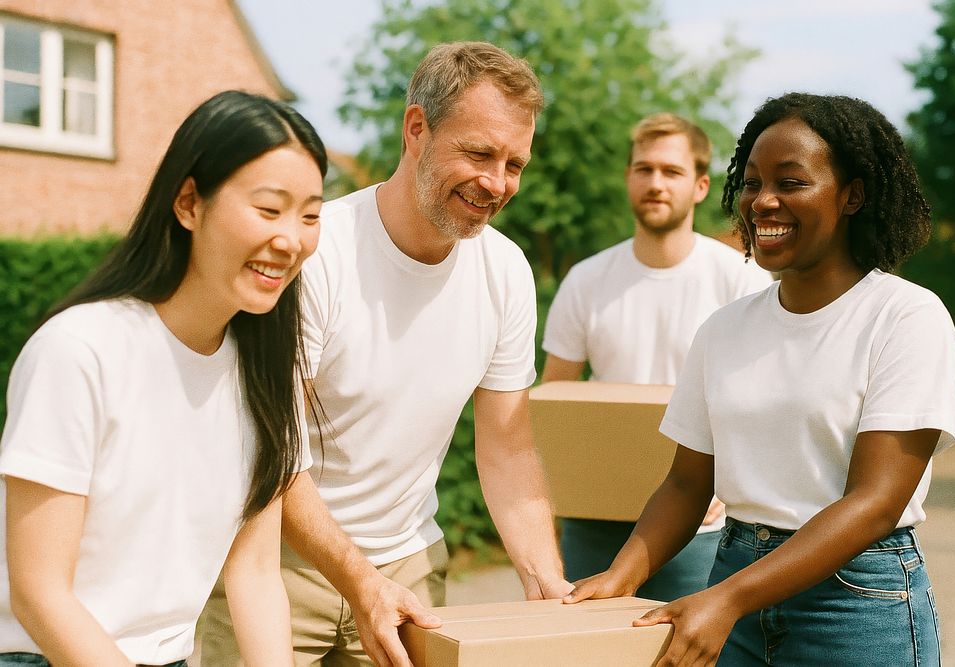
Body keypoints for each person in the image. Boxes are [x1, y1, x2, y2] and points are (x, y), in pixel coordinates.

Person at [198, 41, 571, 667]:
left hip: (410, 566)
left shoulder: (505, 271)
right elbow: (273, 451)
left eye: (515, 164)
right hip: (276, 566)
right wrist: (358, 582)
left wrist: (544, 578)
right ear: (417, 129)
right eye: (479, 153)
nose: (497, 183)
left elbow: (507, 446)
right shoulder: (317, 256)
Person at [566, 92, 955, 666]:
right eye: (751, 183)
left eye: (791, 182)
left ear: (853, 195)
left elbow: (876, 501)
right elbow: (685, 484)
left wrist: (724, 600)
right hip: (735, 579)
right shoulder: (725, 329)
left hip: (854, 605)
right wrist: (621, 576)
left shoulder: (905, 317)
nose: (763, 202)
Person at [0, 90, 327, 666]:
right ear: (188, 204)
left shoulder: (267, 370)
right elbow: (39, 593)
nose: (291, 240)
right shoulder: (80, 350)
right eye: (269, 210)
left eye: (310, 216)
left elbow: (254, 573)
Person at [541, 112, 772, 603]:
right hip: (595, 522)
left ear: (702, 185)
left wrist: (727, 484)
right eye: (644, 169)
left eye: (672, 171)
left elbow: (763, 403)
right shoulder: (587, 279)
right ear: (628, 177)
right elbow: (552, 400)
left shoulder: (739, 280)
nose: (655, 183)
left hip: (701, 526)